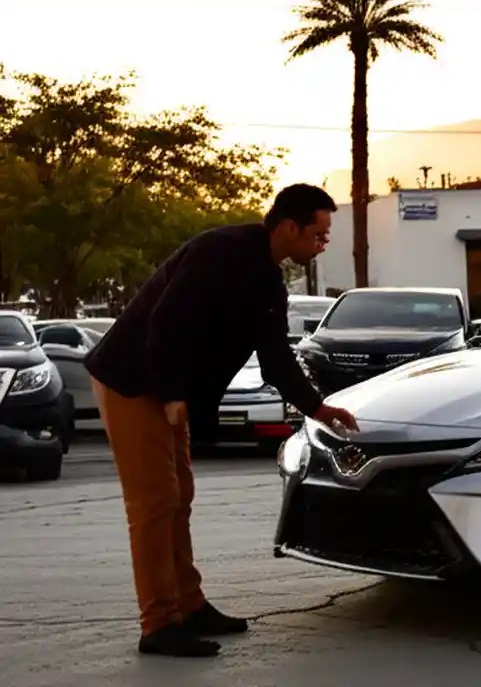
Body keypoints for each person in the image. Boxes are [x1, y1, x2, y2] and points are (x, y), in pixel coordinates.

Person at [85, 183, 360, 658]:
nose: (323, 243)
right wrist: (172, 392)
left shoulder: (268, 282)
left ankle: (188, 607)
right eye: (319, 234)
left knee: (179, 497)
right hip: (132, 380)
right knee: (155, 504)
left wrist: (317, 407)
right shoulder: (219, 251)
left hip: (165, 389)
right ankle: (159, 624)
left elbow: (275, 358)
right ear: (289, 226)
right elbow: (165, 320)